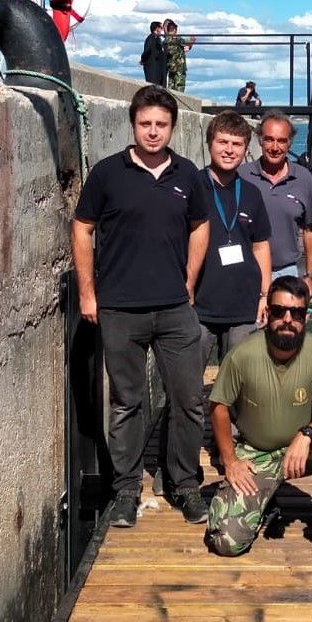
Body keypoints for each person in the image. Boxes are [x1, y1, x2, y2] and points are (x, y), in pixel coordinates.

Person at [71, 85, 211, 529]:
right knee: (127, 404)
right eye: (145, 124)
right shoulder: (108, 174)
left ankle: (183, 484)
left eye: (161, 125)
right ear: (133, 125)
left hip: (174, 308)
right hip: (120, 309)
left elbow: (200, 227)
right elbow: (81, 229)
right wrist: (87, 294)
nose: (153, 132)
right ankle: (127, 490)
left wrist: (189, 281)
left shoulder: (188, 175)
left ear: (173, 128)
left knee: (189, 400)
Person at [205, 276, 312, 565]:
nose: (287, 320)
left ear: (306, 316)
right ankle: (265, 504)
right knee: (226, 541)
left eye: (297, 313)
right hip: (256, 453)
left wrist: (307, 434)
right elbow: (218, 407)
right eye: (279, 312)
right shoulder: (243, 354)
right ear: (268, 313)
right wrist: (230, 461)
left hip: (302, 449)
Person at [195, 111, 273, 365]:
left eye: (237, 144)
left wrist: (265, 296)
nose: (229, 150)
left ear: (246, 149)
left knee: (239, 385)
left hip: (243, 306)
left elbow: (261, 246)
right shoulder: (192, 186)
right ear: (210, 144)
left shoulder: (251, 193)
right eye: (223, 142)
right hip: (199, 306)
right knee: (185, 386)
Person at [241, 111, 312, 294]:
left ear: (289, 143)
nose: (275, 147)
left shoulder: (303, 178)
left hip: (287, 273)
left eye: (282, 141)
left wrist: (310, 276)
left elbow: (311, 230)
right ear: (260, 140)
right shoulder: (242, 176)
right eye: (269, 139)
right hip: (248, 271)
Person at [164, 18, 196, 93]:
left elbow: (180, 50)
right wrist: (192, 41)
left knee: (170, 89)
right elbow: (188, 42)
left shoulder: (165, 40)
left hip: (171, 68)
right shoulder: (177, 39)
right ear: (174, 30)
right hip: (179, 69)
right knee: (179, 89)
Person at [140, 21, 168, 86]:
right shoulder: (151, 38)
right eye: (161, 27)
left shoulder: (158, 39)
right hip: (153, 71)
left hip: (160, 71)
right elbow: (147, 51)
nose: (162, 30)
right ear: (156, 28)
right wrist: (143, 59)